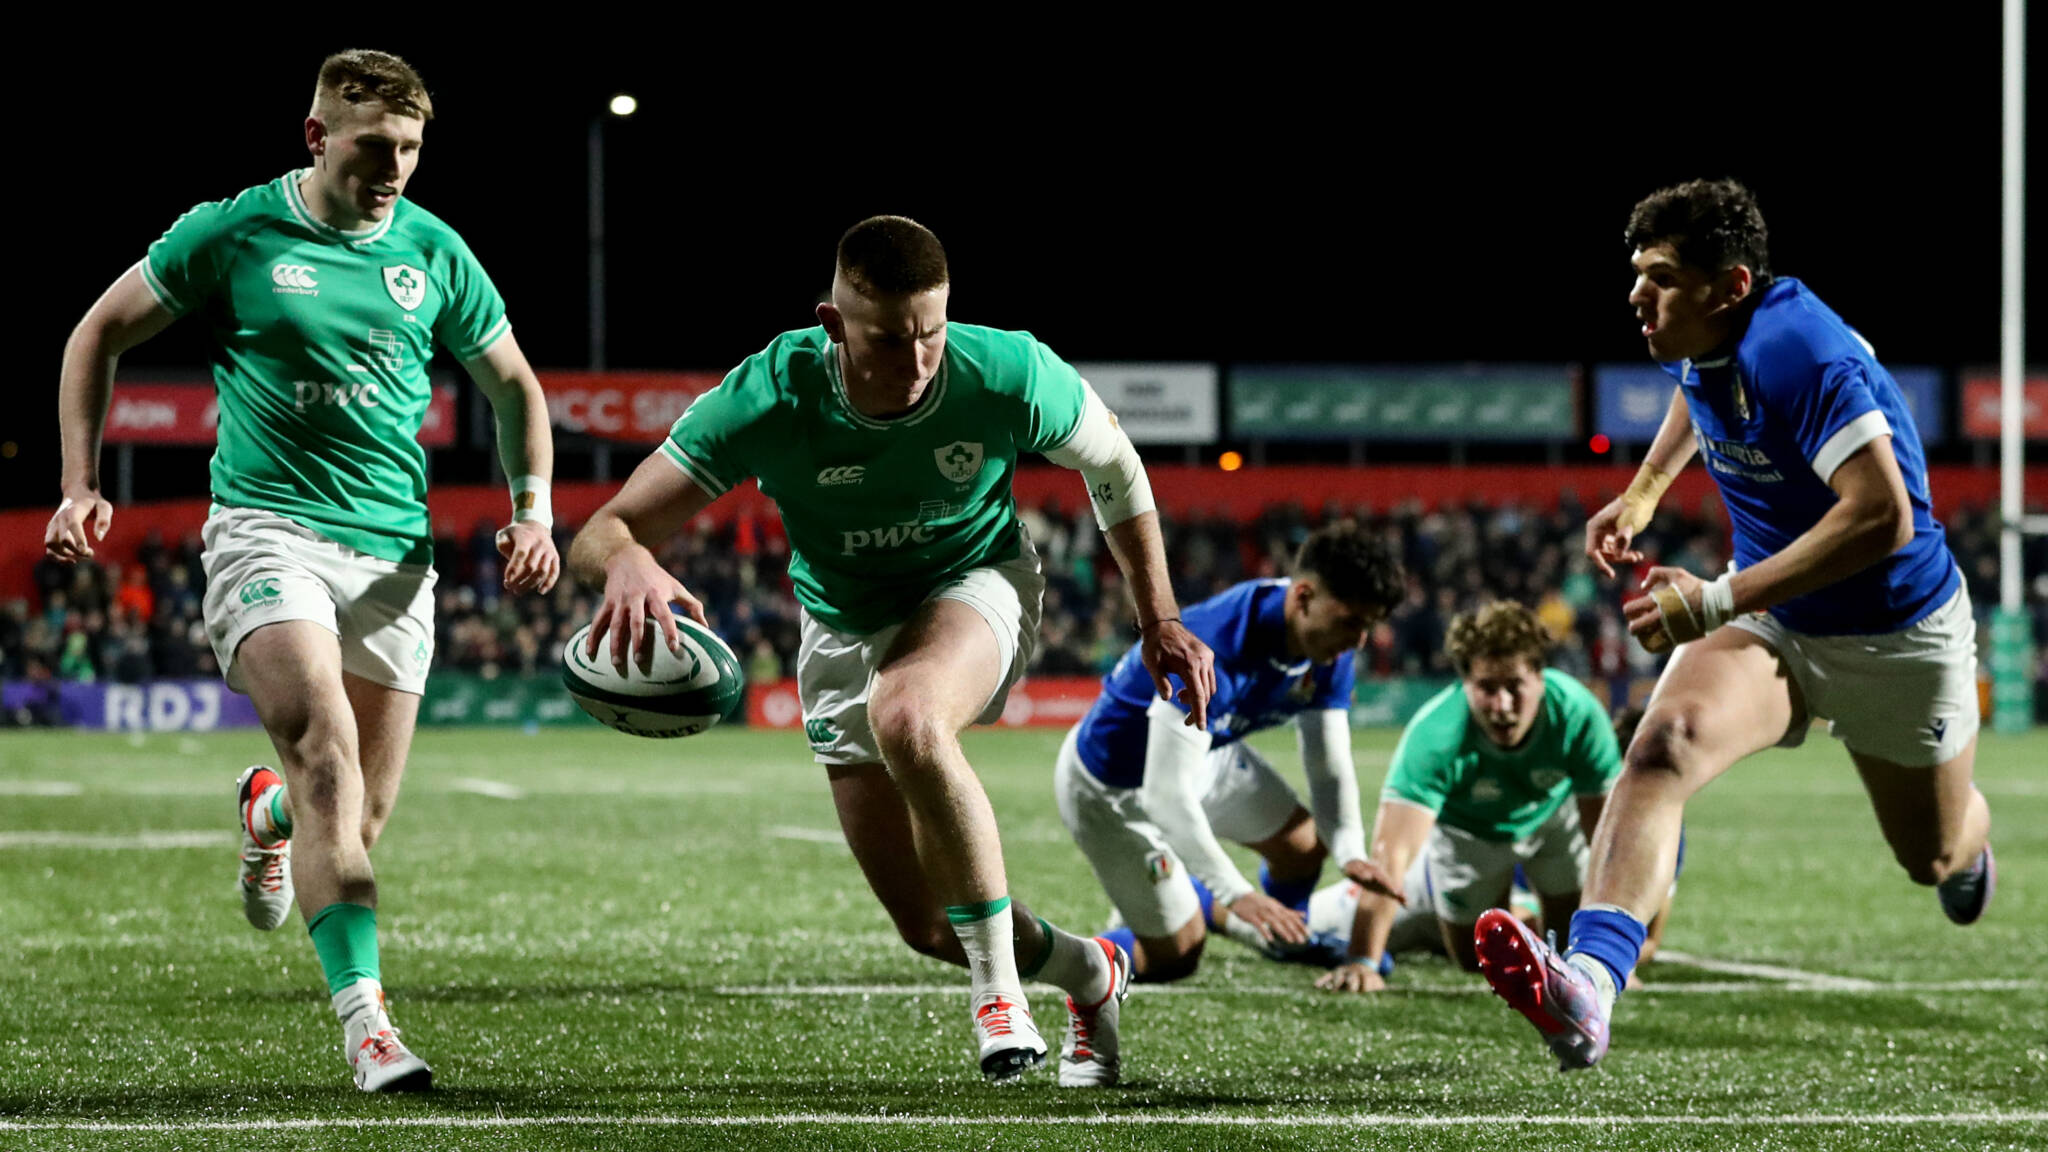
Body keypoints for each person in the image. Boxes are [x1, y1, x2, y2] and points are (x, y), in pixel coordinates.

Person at [567, 216, 1214, 1088]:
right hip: (839, 626)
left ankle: (998, 999)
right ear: (833, 325)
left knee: (908, 714)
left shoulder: (1006, 370)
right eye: (890, 339)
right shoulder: (768, 395)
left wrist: (1160, 616)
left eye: (931, 333)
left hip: (977, 585)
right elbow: (604, 528)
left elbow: (1117, 468)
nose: (917, 363)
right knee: (929, 924)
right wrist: (631, 562)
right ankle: (1090, 973)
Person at [44, 50, 561, 1092]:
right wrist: (79, 480)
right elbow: (98, 331)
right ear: (317, 137)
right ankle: (368, 1025)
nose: (396, 169)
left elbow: (513, 387)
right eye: (376, 148)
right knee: (328, 750)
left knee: (354, 814)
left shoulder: (434, 251)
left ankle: (268, 815)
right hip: (268, 535)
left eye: (412, 150)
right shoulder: (234, 231)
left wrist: (531, 510)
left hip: (394, 558)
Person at [1475, 177, 1995, 1071]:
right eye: (1638, 274)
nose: (1638, 296)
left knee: (1931, 854)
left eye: (1662, 278)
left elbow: (1883, 517)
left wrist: (1715, 600)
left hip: (1898, 638)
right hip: (1778, 619)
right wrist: (1641, 493)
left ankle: (1970, 857)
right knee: (1661, 744)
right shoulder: (1703, 336)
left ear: (1733, 285)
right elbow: (1695, 388)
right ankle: (1589, 991)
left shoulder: (1800, 350)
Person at [1054, 524, 1404, 983]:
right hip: (1112, 786)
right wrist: (1238, 893)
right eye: (1350, 622)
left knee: (1302, 846)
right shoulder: (1210, 648)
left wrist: (1350, 851)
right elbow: (1164, 796)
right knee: (1177, 954)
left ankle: (1283, 936)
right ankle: (1048, 956)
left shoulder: (1327, 649)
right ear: (1302, 597)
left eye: (1369, 625)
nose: (1359, 641)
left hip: (1198, 755)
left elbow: (1328, 766)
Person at [1310, 601, 1621, 993]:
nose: (1502, 705)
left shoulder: (1578, 715)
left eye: (1514, 687)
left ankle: (1523, 911)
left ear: (1541, 678)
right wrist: (1362, 960)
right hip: (1467, 832)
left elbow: (1610, 842)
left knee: (1568, 955)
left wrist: (1614, 954)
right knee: (1474, 962)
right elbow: (1390, 857)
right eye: (1487, 688)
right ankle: (1440, 902)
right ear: (1464, 684)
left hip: (1553, 821)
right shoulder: (1436, 734)